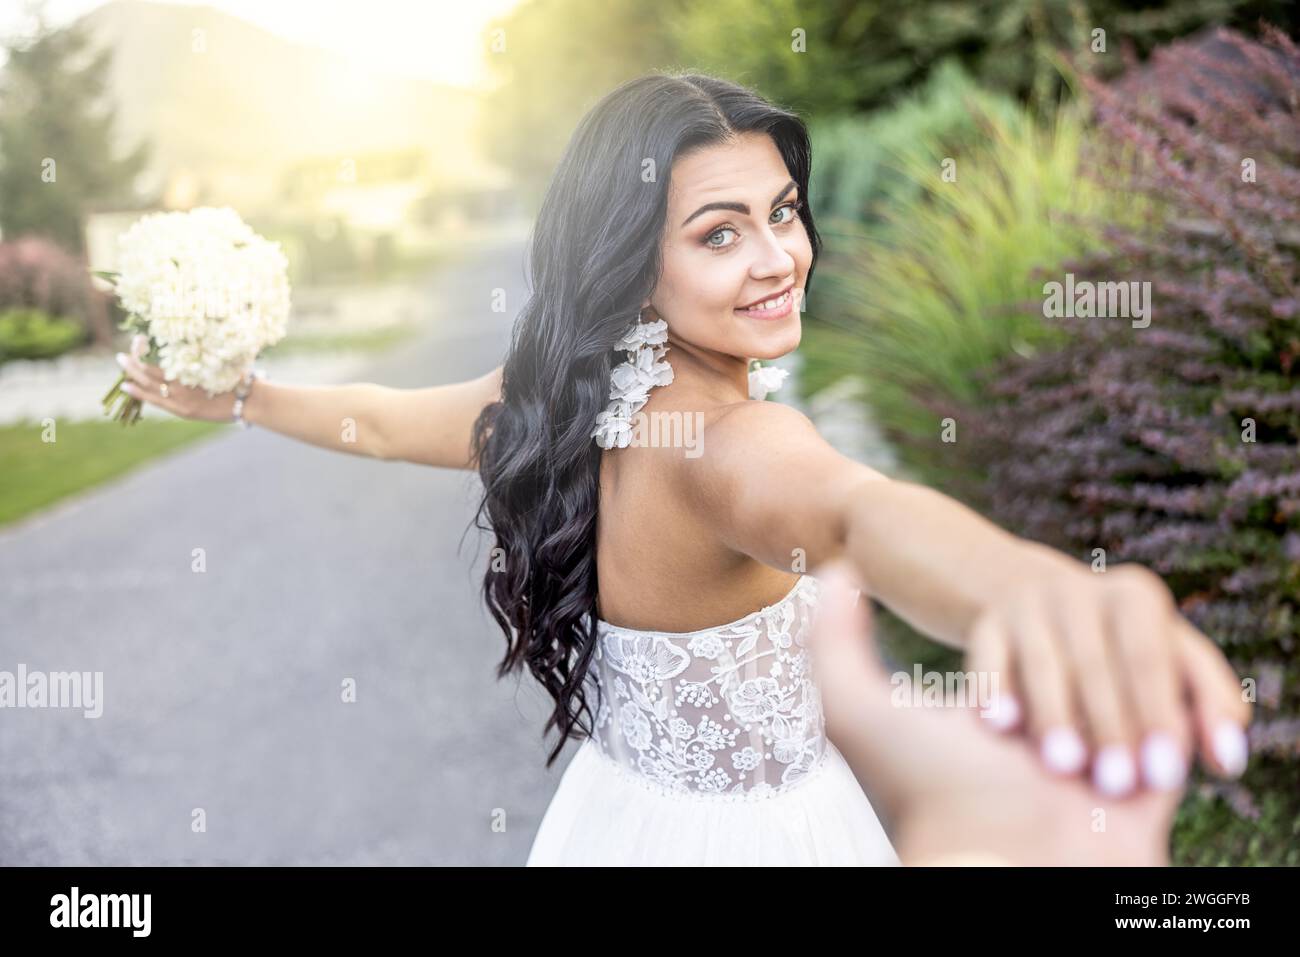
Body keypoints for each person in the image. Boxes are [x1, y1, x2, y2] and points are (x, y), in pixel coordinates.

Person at [116, 72, 1252, 866]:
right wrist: (1028, 591)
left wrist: (242, 397)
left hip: (618, 827)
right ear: (632, 265)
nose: (778, 260)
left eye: (784, 214)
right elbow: (860, 515)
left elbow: (379, 419)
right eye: (719, 233)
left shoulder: (568, 398)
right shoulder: (731, 445)